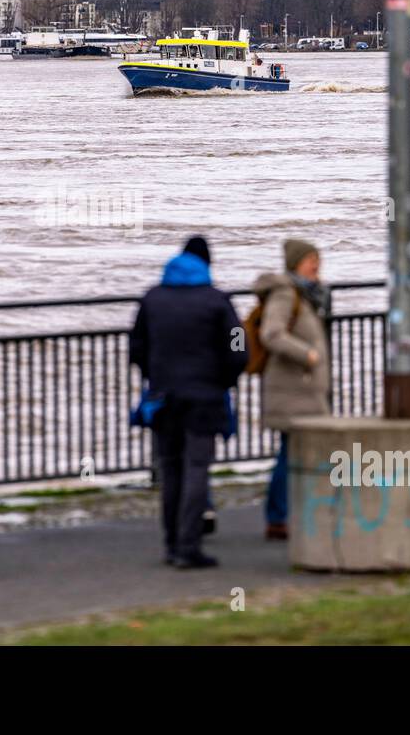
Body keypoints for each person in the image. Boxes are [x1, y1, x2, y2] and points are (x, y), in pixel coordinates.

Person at [130, 236, 247, 569]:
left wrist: (155, 374)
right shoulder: (218, 301)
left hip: (163, 398)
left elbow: (136, 346)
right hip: (205, 398)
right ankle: (189, 546)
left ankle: (170, 545)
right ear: (207, 264)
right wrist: (225, 379)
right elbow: (238, 345)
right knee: (196, 469)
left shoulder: (152, 299)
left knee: (171, 471)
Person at [252, 239, 331, 540]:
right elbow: (272, 334)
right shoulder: (286, 293)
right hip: (292, 388)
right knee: (292, 451)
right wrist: (307, 355)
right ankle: (279, 517)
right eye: (311, 259)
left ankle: (286, 514)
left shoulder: (306, 294)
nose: (316, 265)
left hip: (303, 389)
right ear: (296, 263)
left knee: (295, 450)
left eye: (318, 259)